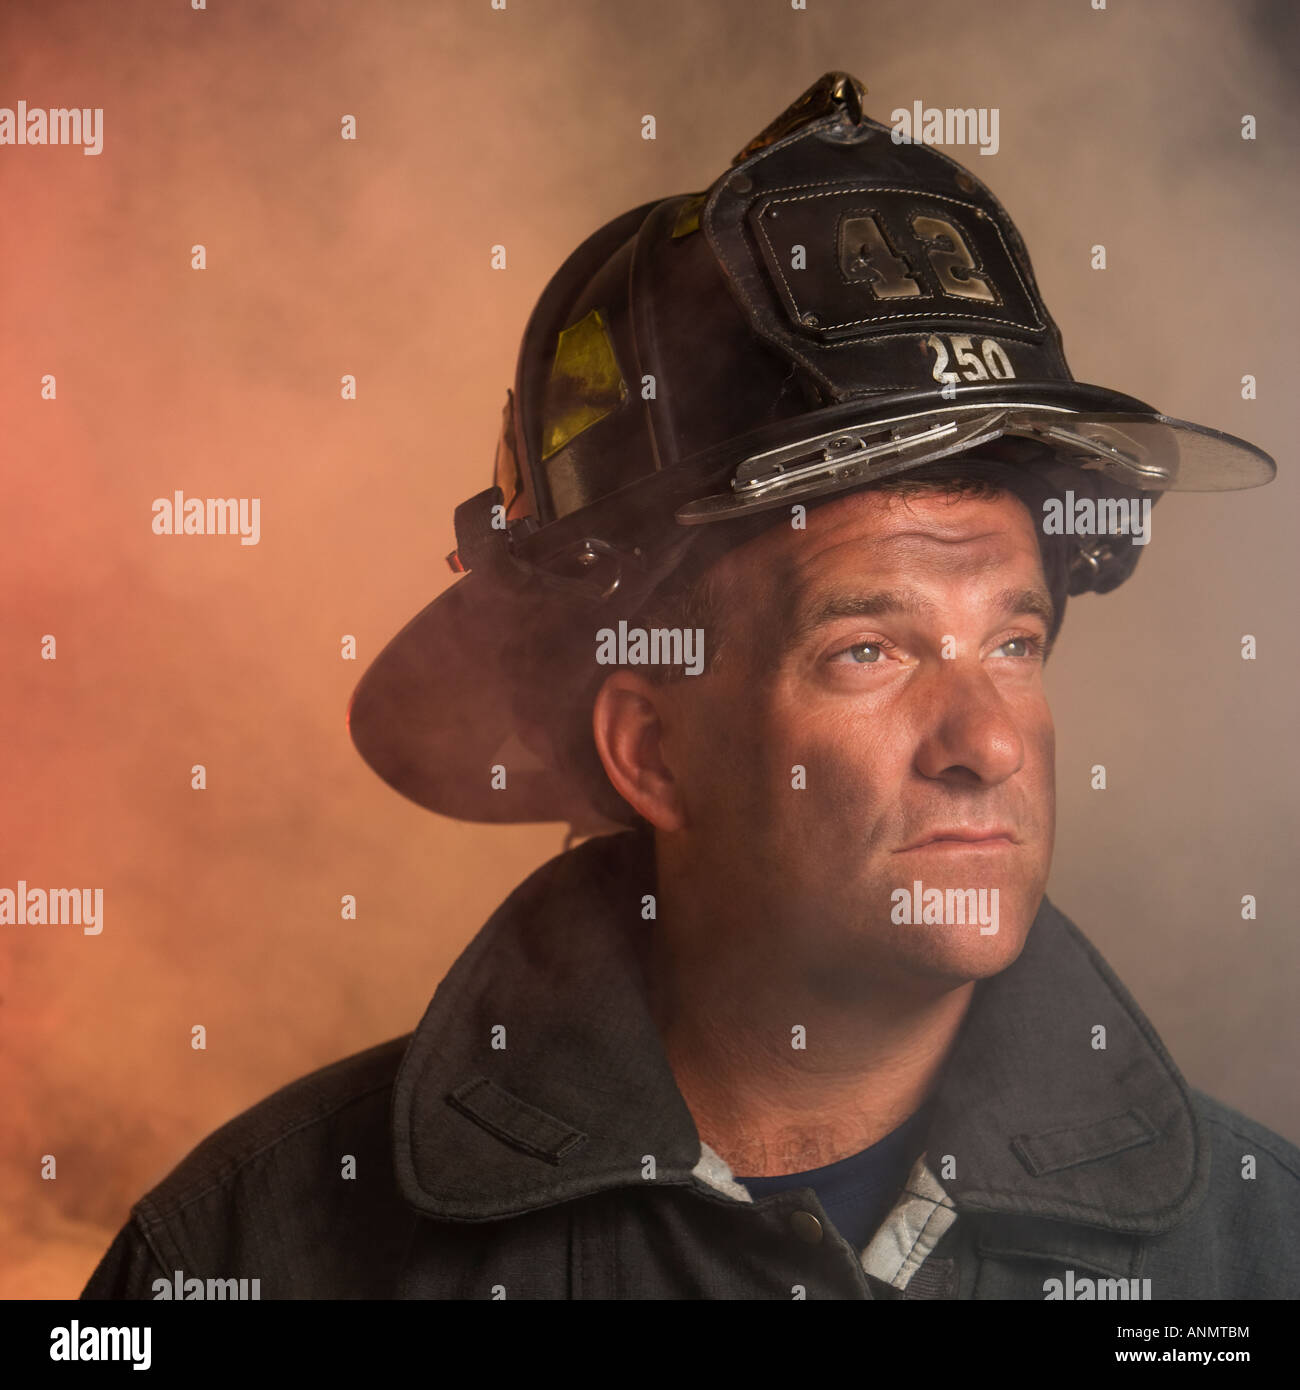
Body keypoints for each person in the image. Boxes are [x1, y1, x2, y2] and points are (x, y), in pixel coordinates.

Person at [82, 72, 1298, 1301]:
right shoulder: (255, 1256)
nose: (985, 742)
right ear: (652, 752)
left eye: (1012, 643)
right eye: (866, 651)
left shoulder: (1255, 1258)